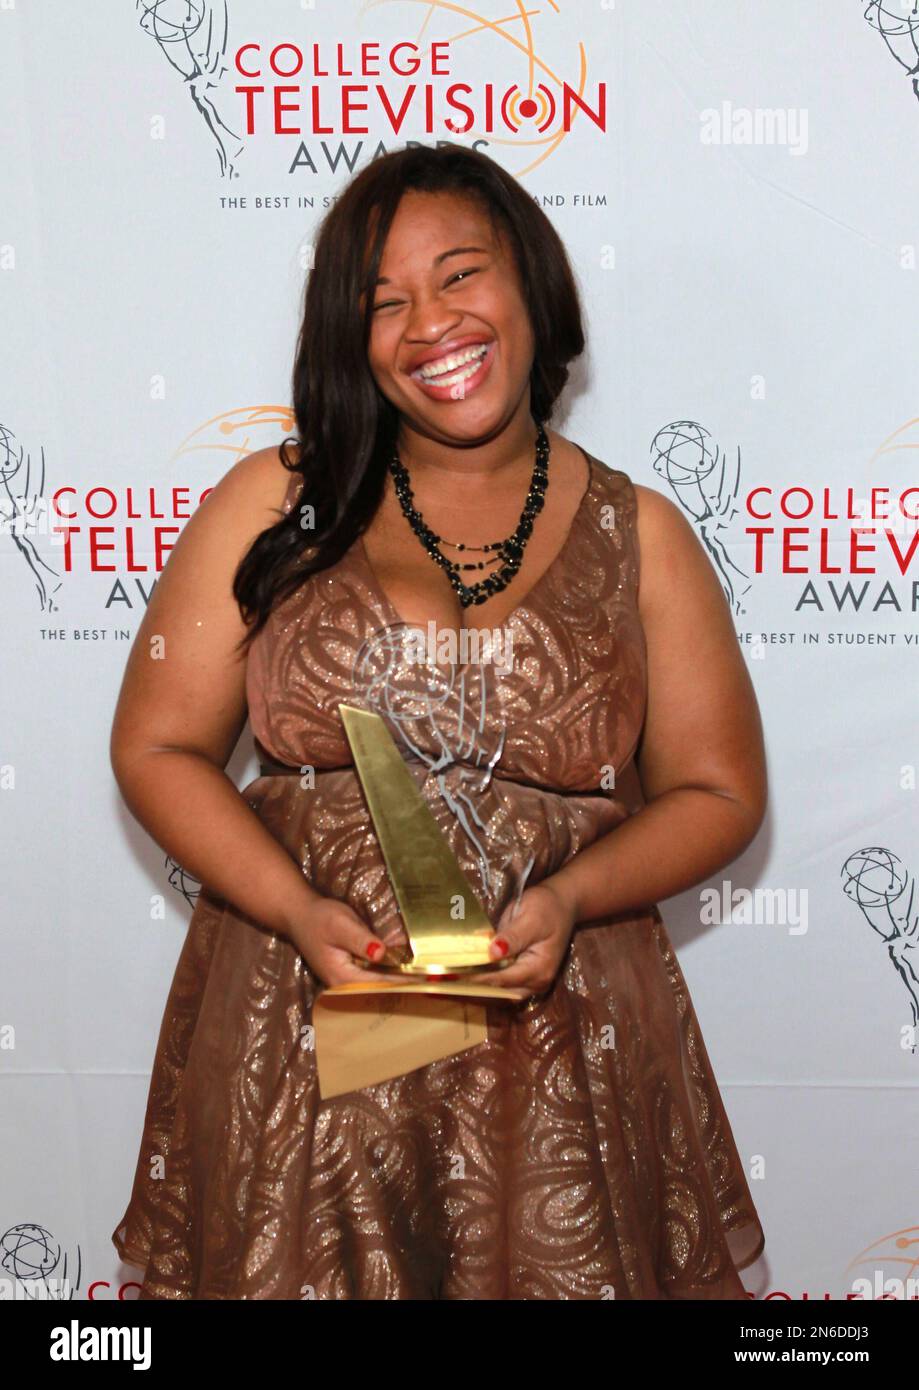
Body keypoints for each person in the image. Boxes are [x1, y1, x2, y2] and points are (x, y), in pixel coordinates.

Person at [110, 142, 767, 1299]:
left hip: (558, 1059)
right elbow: (157, 746)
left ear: (532, 285)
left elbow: (719, 792)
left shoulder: (642, 532)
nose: (431, 324)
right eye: (384, 303)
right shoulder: (278, 498)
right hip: (303, 1036)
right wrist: (296, 906)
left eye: (460, 275)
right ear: (348, 338)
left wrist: (568, 896)